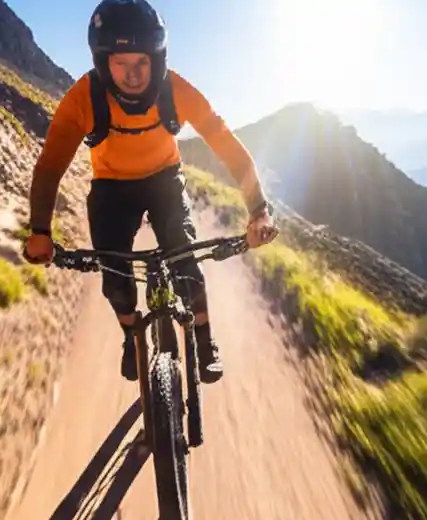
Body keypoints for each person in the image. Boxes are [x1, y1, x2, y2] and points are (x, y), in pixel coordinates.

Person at [22, 0, 277, 383]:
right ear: (103, 60)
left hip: (163, 179)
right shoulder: (83, 98)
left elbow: (226, 146)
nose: (133, 75)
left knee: (185, 264)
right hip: (111, 187)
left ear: (157, 58)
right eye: (121, 63)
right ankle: (131, 337)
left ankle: (205, 341)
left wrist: (258, 210)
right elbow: (50, 166)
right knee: (116, 282)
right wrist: (40, 230)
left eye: (141, 62)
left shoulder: (175, 89)